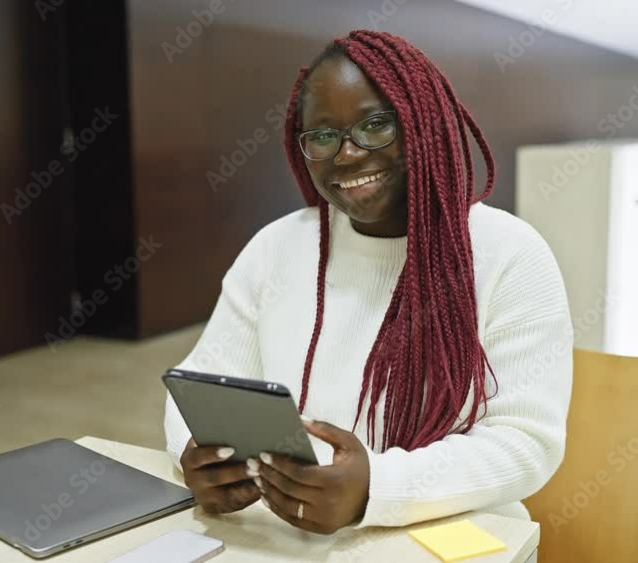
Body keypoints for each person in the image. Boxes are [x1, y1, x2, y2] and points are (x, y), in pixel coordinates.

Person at [164, 29, 572, 535]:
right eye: (322, 135)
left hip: (448, 535)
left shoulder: (510, 253)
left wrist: (374, 489)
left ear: (423, 122)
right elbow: (202, 383)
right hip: (292, 535)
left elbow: (526, 442)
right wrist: (194, 454)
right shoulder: (277, 247)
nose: (348, 154)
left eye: (376, 125)